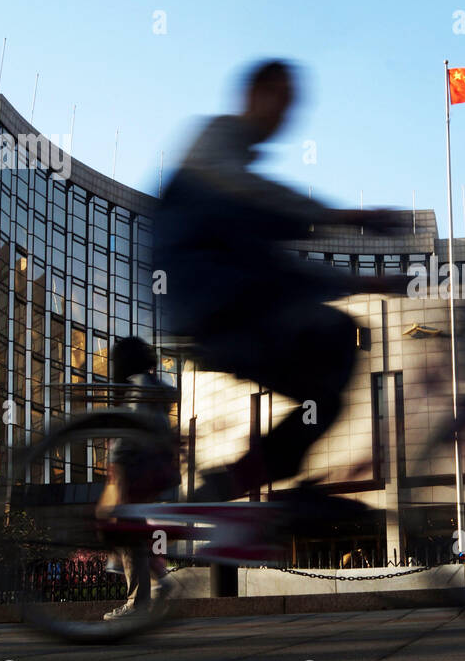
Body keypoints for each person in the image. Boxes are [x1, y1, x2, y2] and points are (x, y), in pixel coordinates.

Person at [153, 60, 407, 511]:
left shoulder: (230, 175)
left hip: (220, 305)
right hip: (211, 307)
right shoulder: (215, 148)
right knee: (331, 338)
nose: (285, 116)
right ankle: (257, 481)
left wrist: (363, 278)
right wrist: (349, 219)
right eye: (282, 100)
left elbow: (278, 264)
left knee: (325, 387)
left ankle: (237, 487)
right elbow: (260, 205)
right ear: (255, 93)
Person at [100, 336, 179, 621]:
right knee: (132, 528)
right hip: (156, 468)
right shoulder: (155, 388)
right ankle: (159, 580)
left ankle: (138, 603)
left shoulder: (138, 386)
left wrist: (116, 461)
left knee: (120, 527)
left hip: (136, 467)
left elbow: (131, 427)